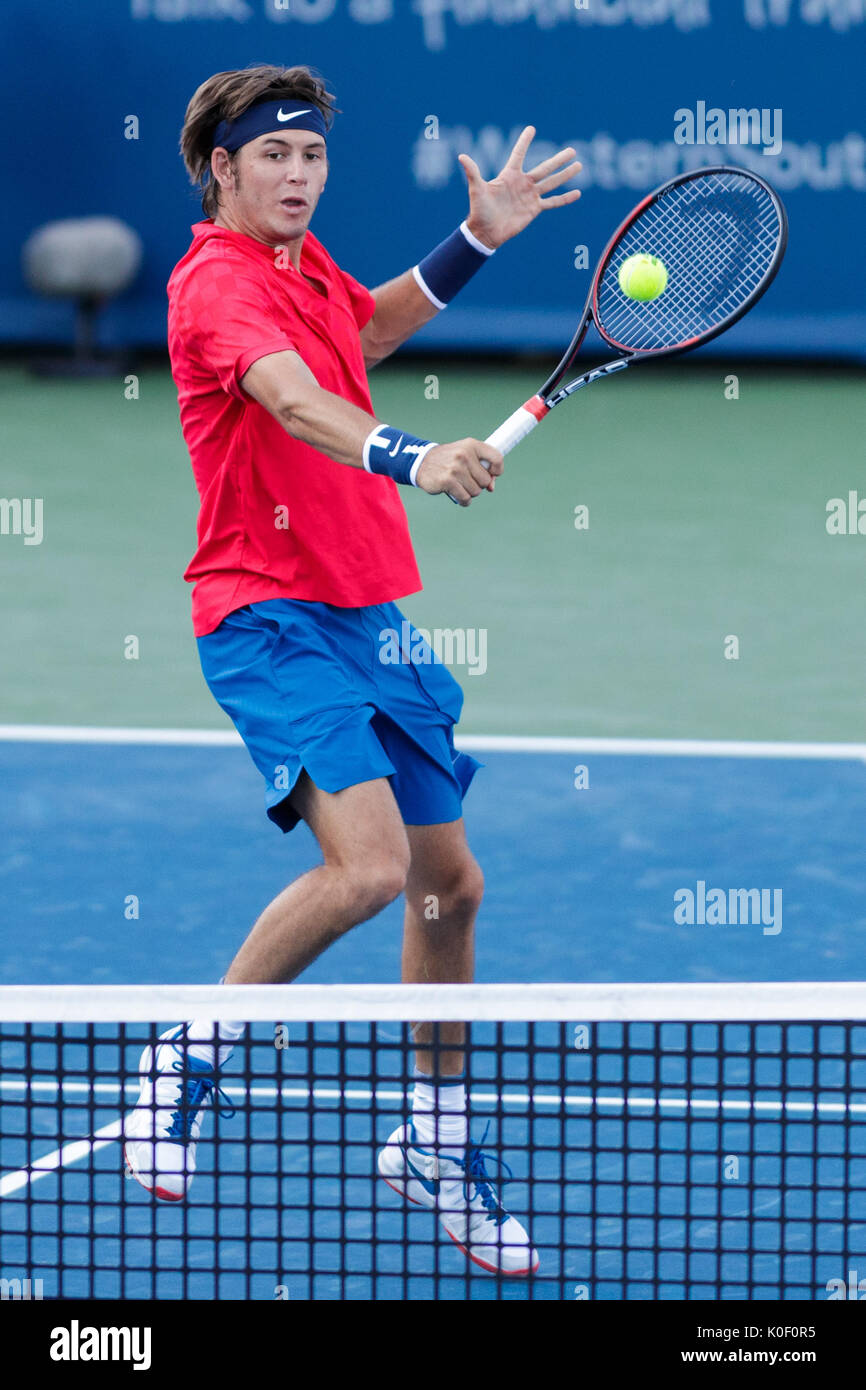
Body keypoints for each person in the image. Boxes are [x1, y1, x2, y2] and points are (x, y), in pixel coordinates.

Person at [124, 63, 581, 1277]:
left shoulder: (301, 265)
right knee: (371, 866)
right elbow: (288, 399)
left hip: (365, 607)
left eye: (312, 157)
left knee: (449, 885)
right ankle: (186, 1053)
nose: (297, 177)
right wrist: (413, 454)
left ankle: (432, 1143)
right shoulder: (212, 283)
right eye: (273, 158)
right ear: (221, 170)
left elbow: (360, 332)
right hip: (264, 613)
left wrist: (472, 242)